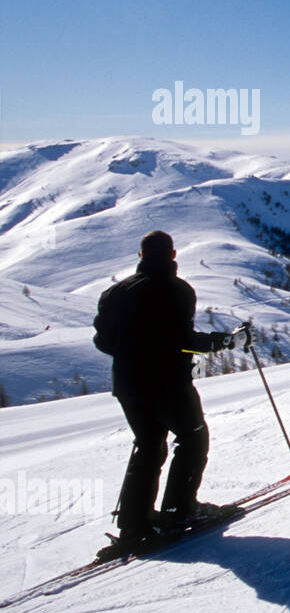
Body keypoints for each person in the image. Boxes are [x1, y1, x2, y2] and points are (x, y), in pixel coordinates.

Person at [93, 230, 243, 548]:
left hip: (128, 385)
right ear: (172, 255)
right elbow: (185, 341)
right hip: (168, 382)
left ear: (141, 256)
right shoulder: (178, 290)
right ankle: (179, 509)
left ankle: (134, 522)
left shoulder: (113, 294)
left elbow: (103, 341)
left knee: (148, 445)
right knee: (192, 438)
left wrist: (132, 351)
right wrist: (227, 341)